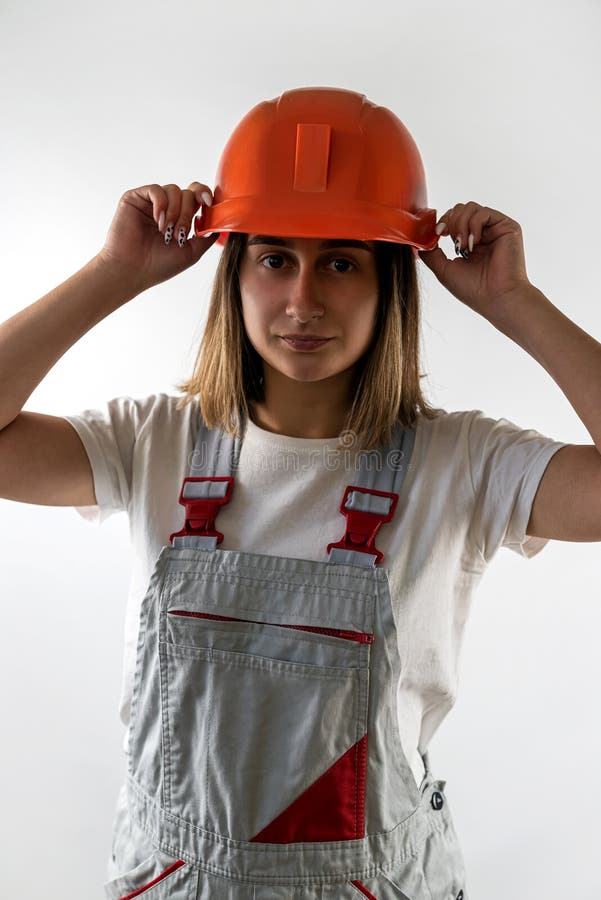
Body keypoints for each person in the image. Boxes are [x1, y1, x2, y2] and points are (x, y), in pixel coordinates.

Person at [1, 86, 599, 900]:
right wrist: (114, 272)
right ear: (233, 273)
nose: (302, 300)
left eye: (341, 262)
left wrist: (512, 303)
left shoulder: (465, 463)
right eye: (274, 258)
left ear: (392, 281)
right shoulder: (150, 442)